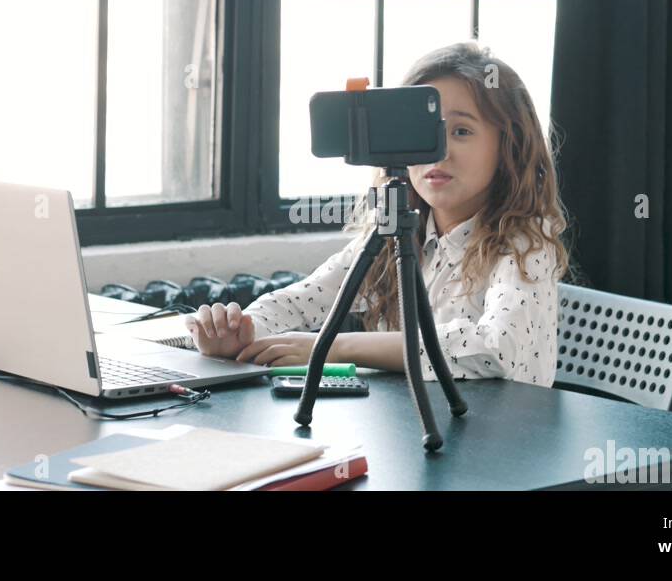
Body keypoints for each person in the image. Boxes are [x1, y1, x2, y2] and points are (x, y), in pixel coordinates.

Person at [185, 41, 571, 386]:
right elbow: (304, 299)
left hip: (503, 445)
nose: (438, 150)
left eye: (461, 132)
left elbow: (495, 349)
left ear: (509, 146)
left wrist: (336, 346)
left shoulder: (524, 243)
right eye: (424, 131)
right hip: (411, 434)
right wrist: (242, 330)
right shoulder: (397, 231)